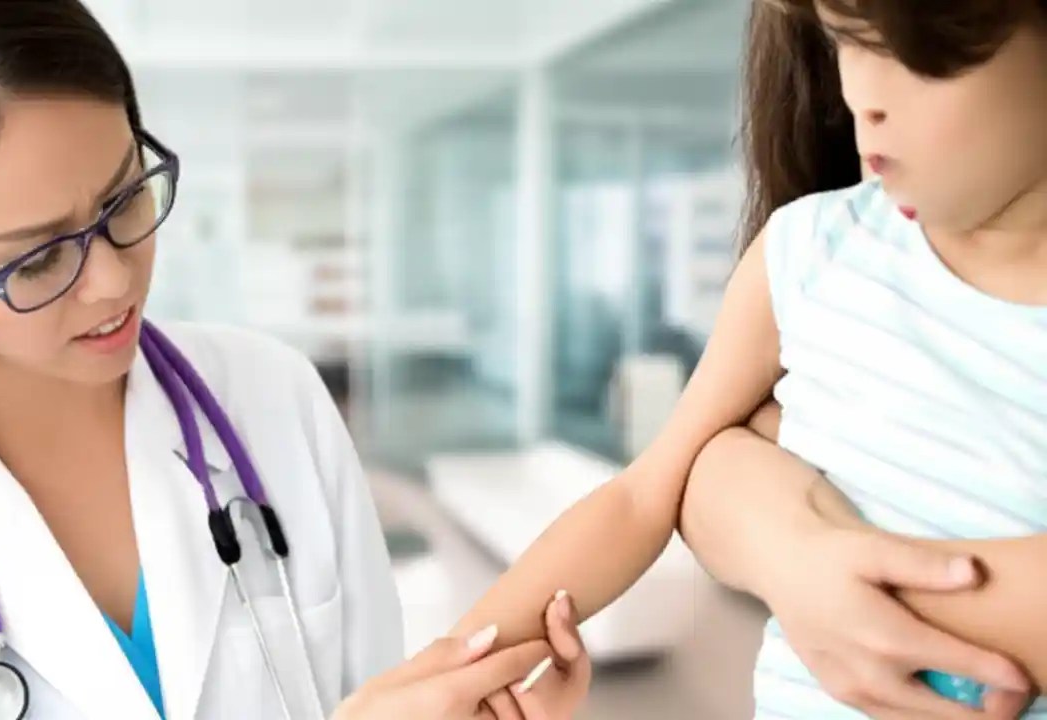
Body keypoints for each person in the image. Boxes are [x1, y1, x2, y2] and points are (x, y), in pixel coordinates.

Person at [0, 1, 588, 718]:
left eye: (125, 199)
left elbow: (377, 686)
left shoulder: (274, 400)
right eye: (38, 258)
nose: (114, 281)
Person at [442, 0, 1047, 717]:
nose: (864, 97)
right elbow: (645, 493)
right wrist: (456, 666)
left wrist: (830, 577)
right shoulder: (814, 252)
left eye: (913, 53)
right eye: (845, 42)